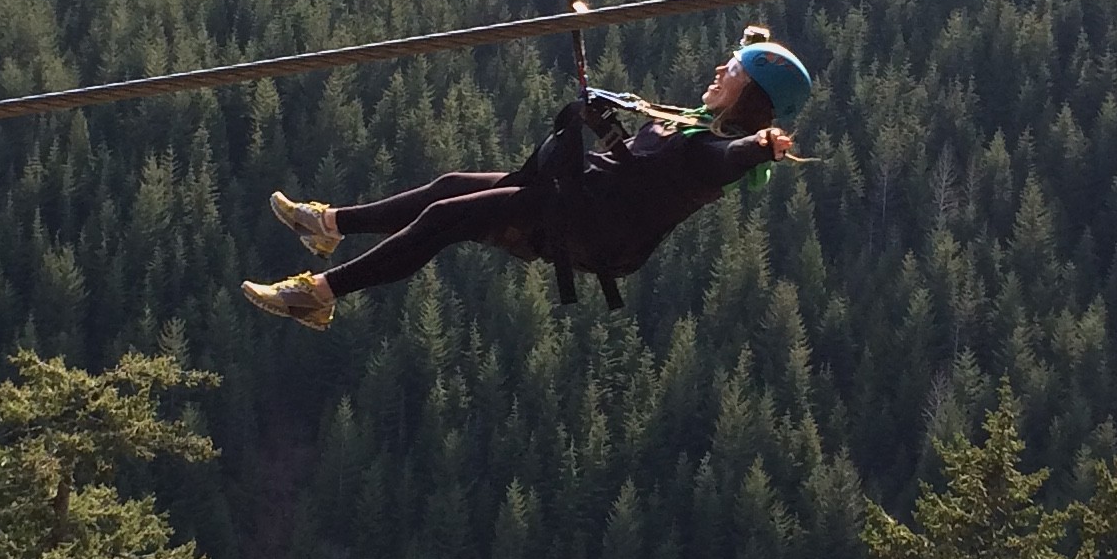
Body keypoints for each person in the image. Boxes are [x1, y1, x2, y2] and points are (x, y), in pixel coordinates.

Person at [240, 26, 812, 328]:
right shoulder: (686, 123)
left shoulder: (713, 150)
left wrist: (759, 147)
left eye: (731, 70)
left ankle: (316, 294)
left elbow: (728, 158)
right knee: (448, 187)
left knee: (445, 218)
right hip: (580, 197)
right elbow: (638, 171)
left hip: (587, 223)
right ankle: (330, 225)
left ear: (750, 94)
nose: (718, 70)